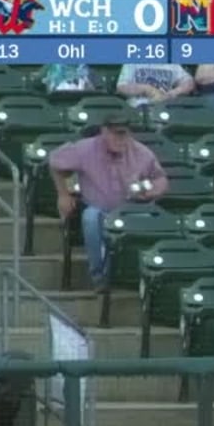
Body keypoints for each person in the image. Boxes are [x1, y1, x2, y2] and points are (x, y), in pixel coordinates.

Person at [48, 110, 167, 291]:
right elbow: (54, 162)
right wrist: (63, 195)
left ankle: (145, 280)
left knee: (153, 219)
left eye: (124, 134)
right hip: (99, 210)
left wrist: (151, 191)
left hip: (132, 210)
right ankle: (99, 276)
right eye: (115, 134)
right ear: (104, 132)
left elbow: (161, 179)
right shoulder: (85, 148)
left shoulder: (141, 152)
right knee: (90, 217)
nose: (120, 139)